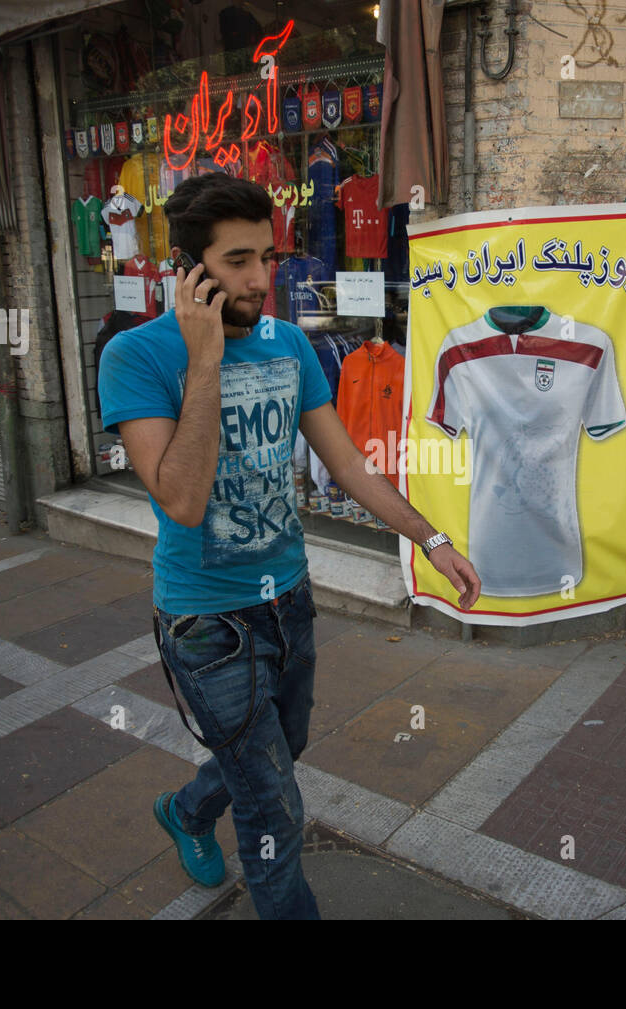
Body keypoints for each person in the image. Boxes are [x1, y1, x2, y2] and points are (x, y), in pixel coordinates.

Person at [97, 173, 481, 920]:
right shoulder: (134, 357)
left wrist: (429, 537)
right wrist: (204, 358)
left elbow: (346, 464)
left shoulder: (289, 345)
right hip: (209, 623)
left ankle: (184, 808)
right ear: (190, 269)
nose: (259, 279)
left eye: (267, 258)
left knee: (280, 748)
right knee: (273, 805)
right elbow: (179, 497)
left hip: (288, 600)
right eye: (238, 261)